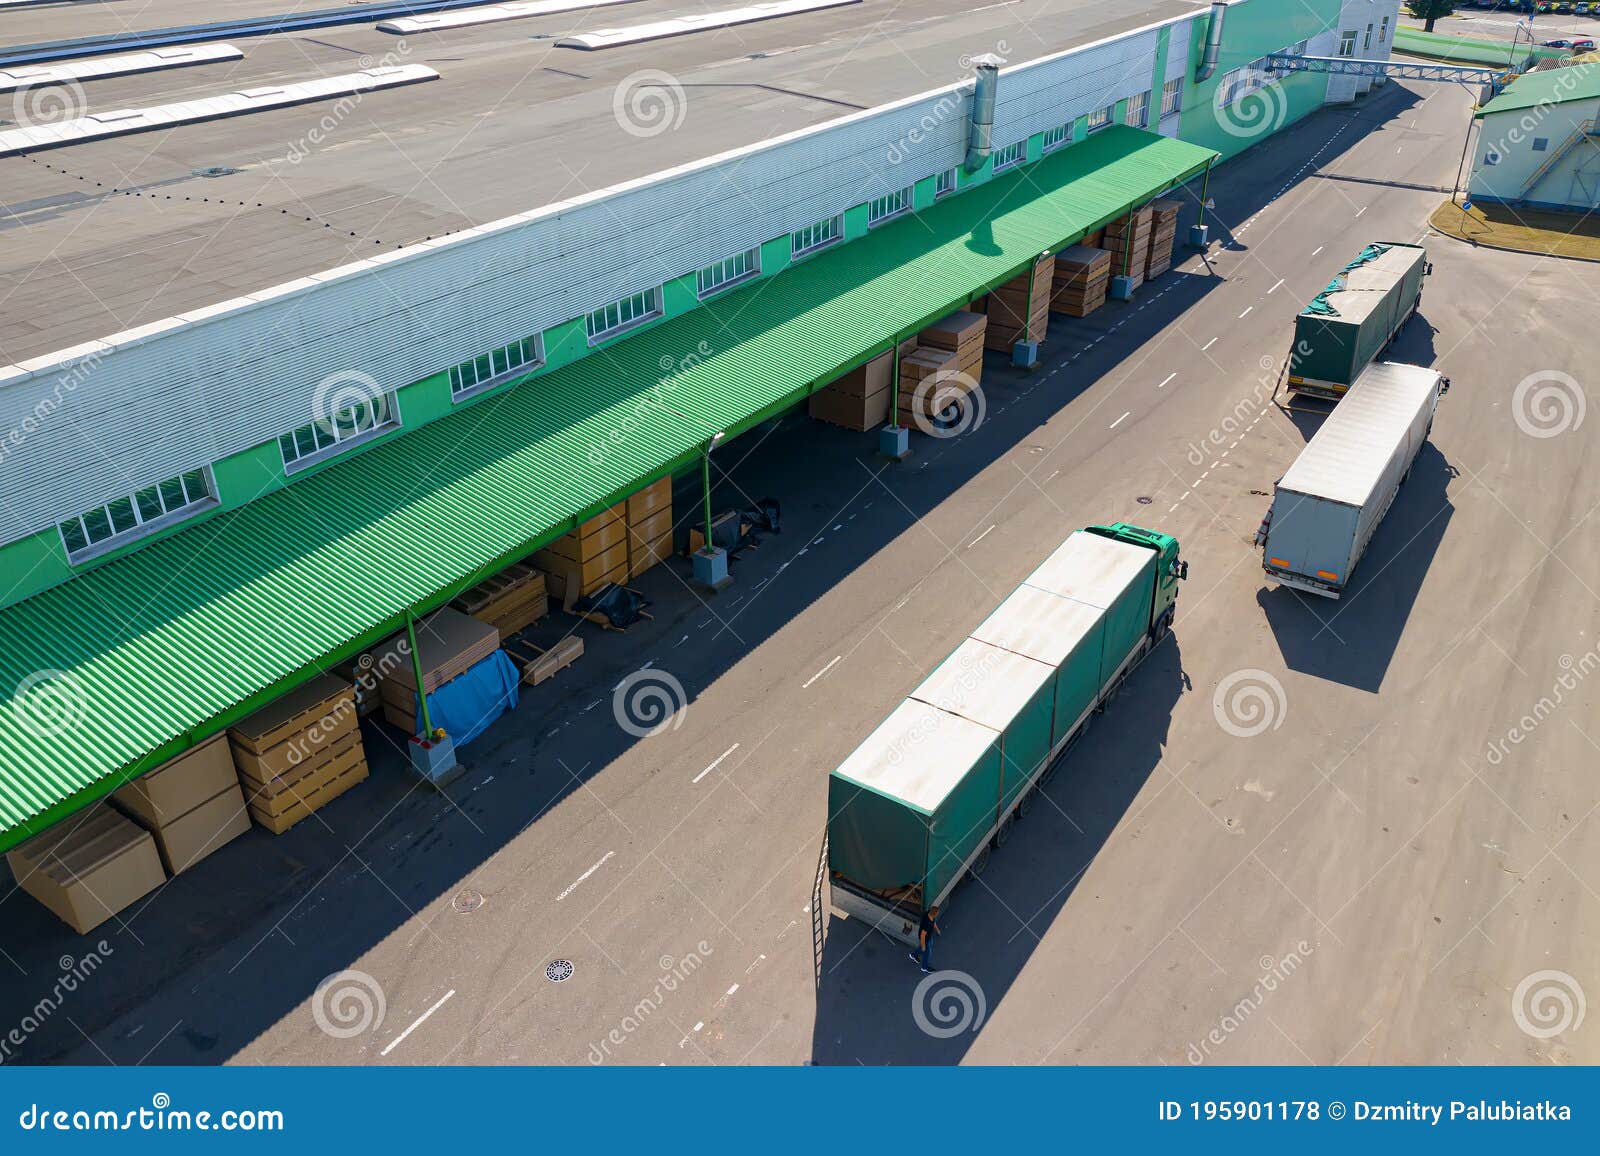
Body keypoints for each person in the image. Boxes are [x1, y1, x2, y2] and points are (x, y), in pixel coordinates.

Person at [909, 906, 940, 973]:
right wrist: (923, 946)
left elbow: (933, 922)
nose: (937, 914)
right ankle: (924, 967)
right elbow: (923, 935)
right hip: (925, 938)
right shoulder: (927, 923)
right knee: (928, 953)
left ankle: (913, 955)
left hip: (929, 936)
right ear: (934, 914)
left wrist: (937, 929)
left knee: (929, 945)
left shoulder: (929, 913)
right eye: (937, 913)